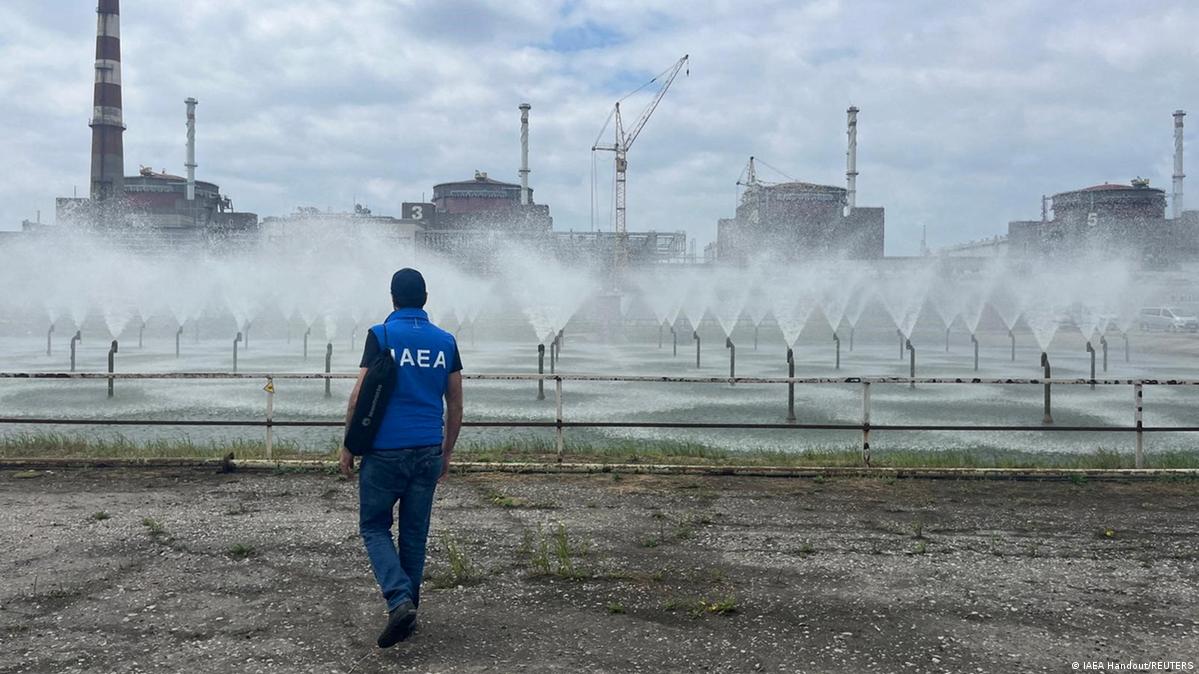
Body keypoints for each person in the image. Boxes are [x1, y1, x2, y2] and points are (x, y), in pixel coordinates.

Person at [340, 268, 464, 648]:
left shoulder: (382, 335)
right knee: (414, 535)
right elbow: (455, 404)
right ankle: (409, 611)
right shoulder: (446, 341)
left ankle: (398, 600)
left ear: (392, 297)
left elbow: (360, 394)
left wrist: (348, 444)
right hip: (427, 448)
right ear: (425, 297)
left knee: (374, 526)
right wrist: (446, 452)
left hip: (385, 451)